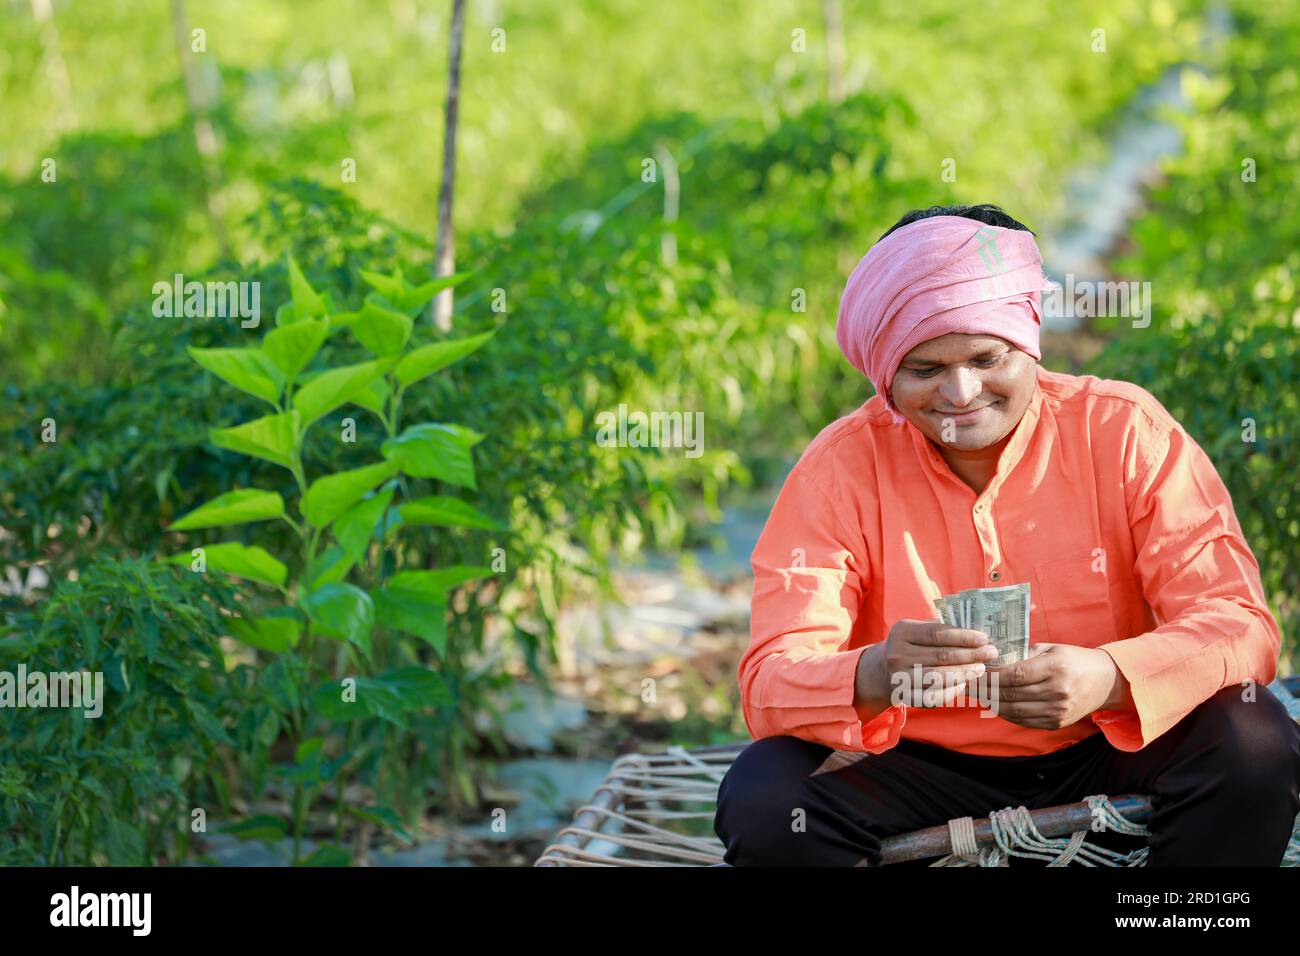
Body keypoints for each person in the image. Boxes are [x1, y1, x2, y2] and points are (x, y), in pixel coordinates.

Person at [713, 203, 1300, 866]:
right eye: (924, 370)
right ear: (883, 375)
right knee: (764, 797)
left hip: (1111, 745)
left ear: (1028, 340)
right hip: (915, 762)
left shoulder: (1125, 431)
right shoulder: (839, 468)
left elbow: (1239, 624)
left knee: (1252, 739)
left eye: (987, 357)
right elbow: (769, 681)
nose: (962, 392)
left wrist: (1108, 675)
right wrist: (876, 672)